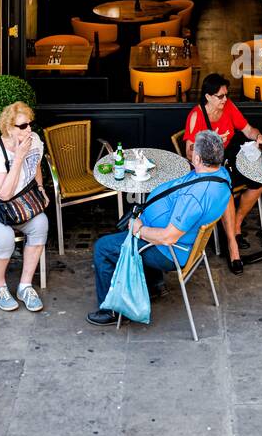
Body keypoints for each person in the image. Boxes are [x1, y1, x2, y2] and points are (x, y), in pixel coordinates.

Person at [88, 129, 232, 326]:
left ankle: (112, 311)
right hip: (177, 239)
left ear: (197, 158)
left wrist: (138, 228)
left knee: (103, 248)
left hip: (167, 252)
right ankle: (155, 285)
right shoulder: (222, 175)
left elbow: (168, 237)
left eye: (192, 149)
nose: (189, 151)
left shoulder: (195, 197)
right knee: (121, 234)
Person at [0, 101, 50, 312]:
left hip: (17, 204)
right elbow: (3, 193)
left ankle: (25, 286)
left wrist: (40, 188)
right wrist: (19, 156)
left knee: (41, 223)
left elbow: (36, 165)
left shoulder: (35, 141)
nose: (29, 129)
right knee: (4, 236)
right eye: (22, 126)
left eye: (30, 124)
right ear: (9, 129)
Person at [184, 72, 262, 276]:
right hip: (208, 165)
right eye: (220, 96)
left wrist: (258, 136)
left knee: (259, 180)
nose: (225, 99)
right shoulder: (197, 116)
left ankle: (236, 222)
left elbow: (247, 129)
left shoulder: (228, 107)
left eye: (226, 95)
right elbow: (189, 151)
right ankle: (232, 246)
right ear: (208, 97)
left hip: (229, 157)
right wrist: (209, 151)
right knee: (224, 190)